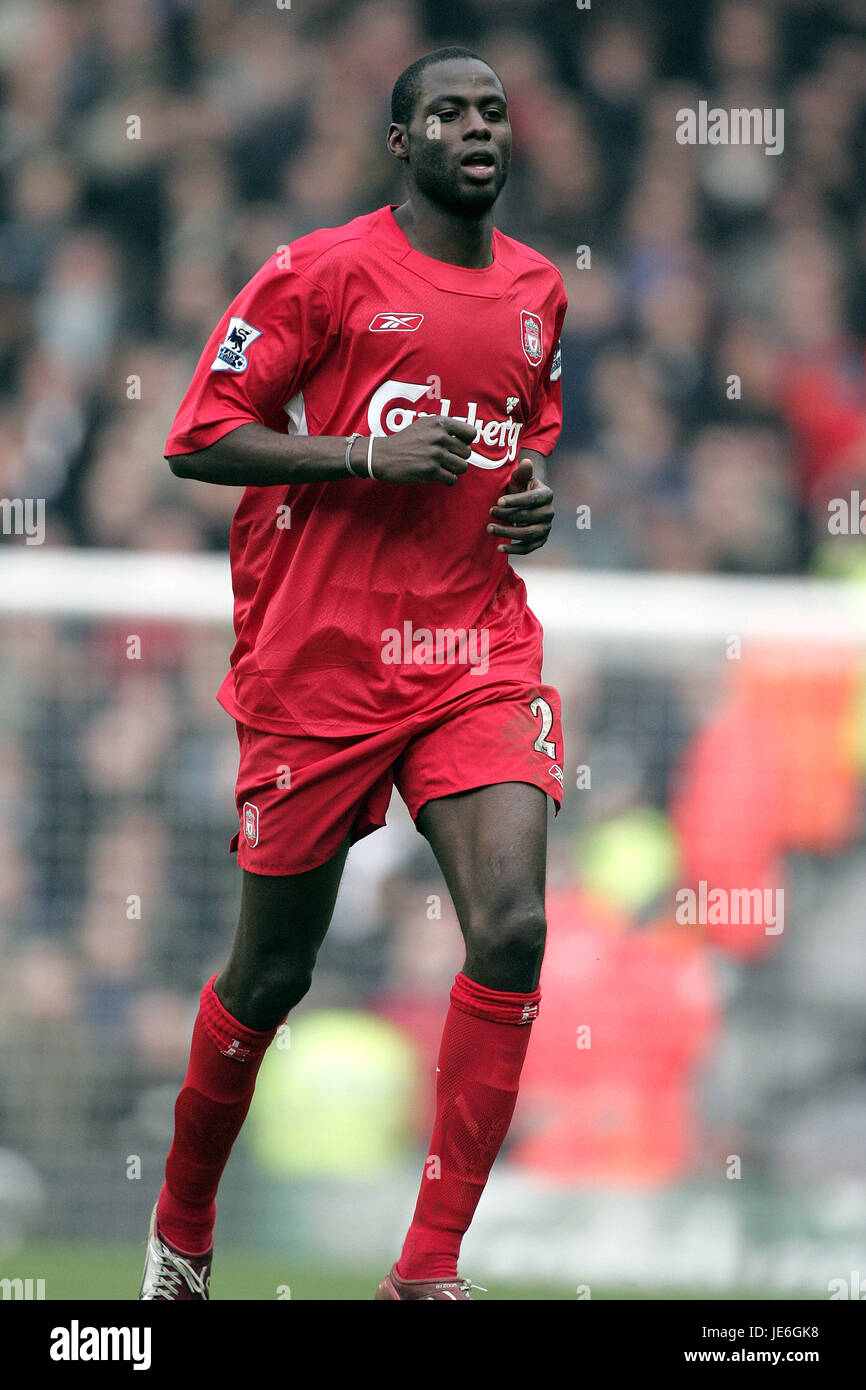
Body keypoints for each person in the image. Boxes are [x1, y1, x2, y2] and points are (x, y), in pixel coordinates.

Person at [140, 45, 567, 1301]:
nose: (476, 129)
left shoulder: (540, 290)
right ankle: (180, 1228)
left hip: (470, 649)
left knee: (513, 926)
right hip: (317, 664)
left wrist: (532, 500)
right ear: (400, 141)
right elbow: (198, 437)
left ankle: (424, 1268)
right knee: (272, 975)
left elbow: (523, 443)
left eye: (492, 112)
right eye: (449, 112)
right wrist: (361, 457)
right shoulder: (321, 271)